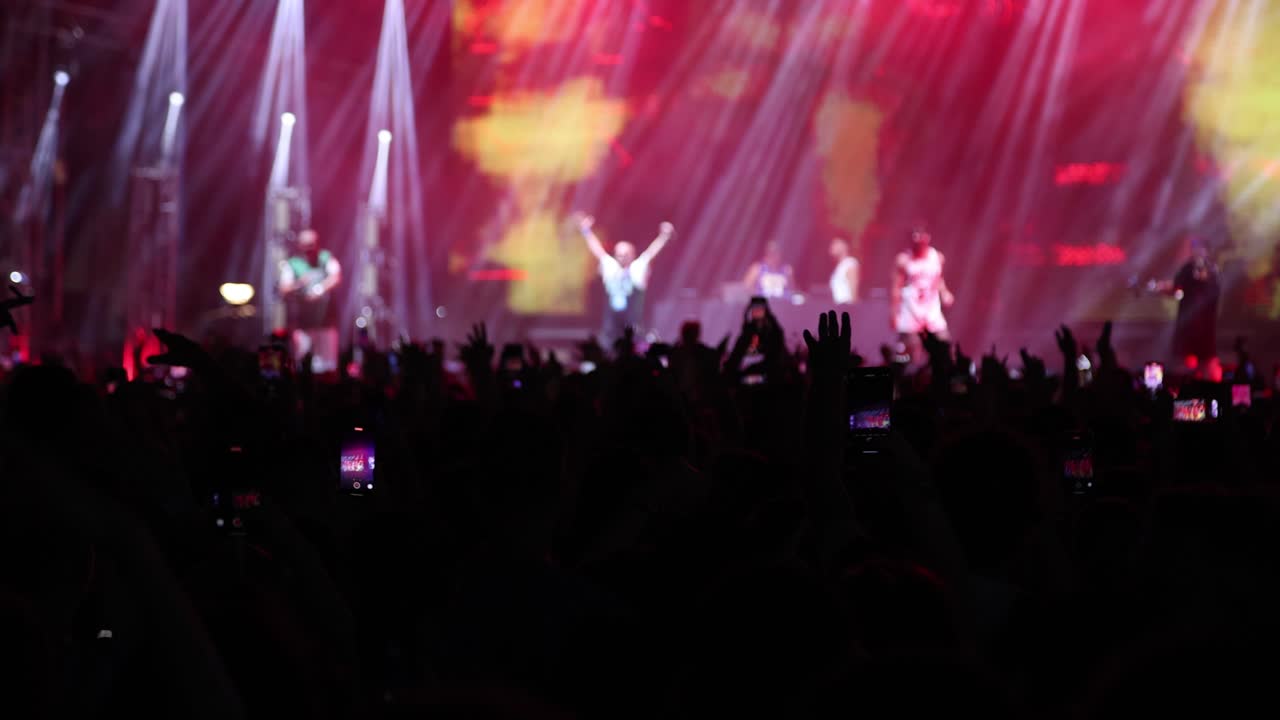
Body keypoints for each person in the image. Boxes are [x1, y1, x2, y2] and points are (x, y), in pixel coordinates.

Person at [578, 213, 673, 344]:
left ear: (632, 255)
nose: (621, 257)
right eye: (619, 254)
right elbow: (598, 251)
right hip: (611, 324)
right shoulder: (610, 267)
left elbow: (651, 253)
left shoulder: (637, 268)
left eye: (625, 254)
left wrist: (664, 236)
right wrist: (586, 231)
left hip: (632, 325)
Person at [1149, 238, 1220, 376]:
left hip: (1205, 327)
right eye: (1195, 249)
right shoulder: (1187, 269)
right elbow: (1176, 287)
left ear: (1207, 251)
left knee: (1207, 365)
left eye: (1201, 248)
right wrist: (1158, 287)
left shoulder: (1212, 270)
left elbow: (1208, 282)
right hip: (1188, 327)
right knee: (1187, 366)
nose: (1197, 252)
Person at [278, 228, 342, 373]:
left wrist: (319, 289)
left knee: (327, 368)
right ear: (299, 246)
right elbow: (283, 288)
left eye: (312, 245)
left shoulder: (326, 258)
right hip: (303, 324)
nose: (310, 250)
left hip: (325, 322)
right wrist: (300, 283)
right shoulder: (293, 264)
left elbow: (336, 277)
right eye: (306, 246)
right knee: (302, 365)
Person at [891, 226, 954, 357]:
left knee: (944, 344)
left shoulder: (937, 257)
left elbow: (939, 279)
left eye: (920, 236)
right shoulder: (904, 260)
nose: (917, 241)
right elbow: (896, 287)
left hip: (931, 308)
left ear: (927, 237)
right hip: (911, 309)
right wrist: (894, 313)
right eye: (914, 237)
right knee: (913, 349)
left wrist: (944, 292)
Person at [829, 238, 860, 305]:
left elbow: (853, 290)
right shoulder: (839, 266)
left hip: (846, 307)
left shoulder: (850, 263)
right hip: (838, 307)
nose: (832, 246)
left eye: (836, 243)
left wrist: (853, 309)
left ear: (845, 245)